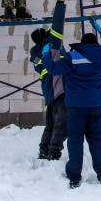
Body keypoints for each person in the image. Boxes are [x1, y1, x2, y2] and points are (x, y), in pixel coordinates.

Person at [42, 12, 101, 188]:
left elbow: (53, 69)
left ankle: (75, 177)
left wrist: (46, 53)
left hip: (75, 107)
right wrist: (100, 29)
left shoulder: (73, 57)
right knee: (97, 139)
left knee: (75, 140)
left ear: (82, 44)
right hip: (96, 106)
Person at [30, 27, 66, 160]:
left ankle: (44, 149)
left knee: (51, 123)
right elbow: (56, 44)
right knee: (61, 123)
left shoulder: (36, 53)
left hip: (49, 91)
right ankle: (54, 151)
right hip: (58, 89)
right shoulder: (48, 48)